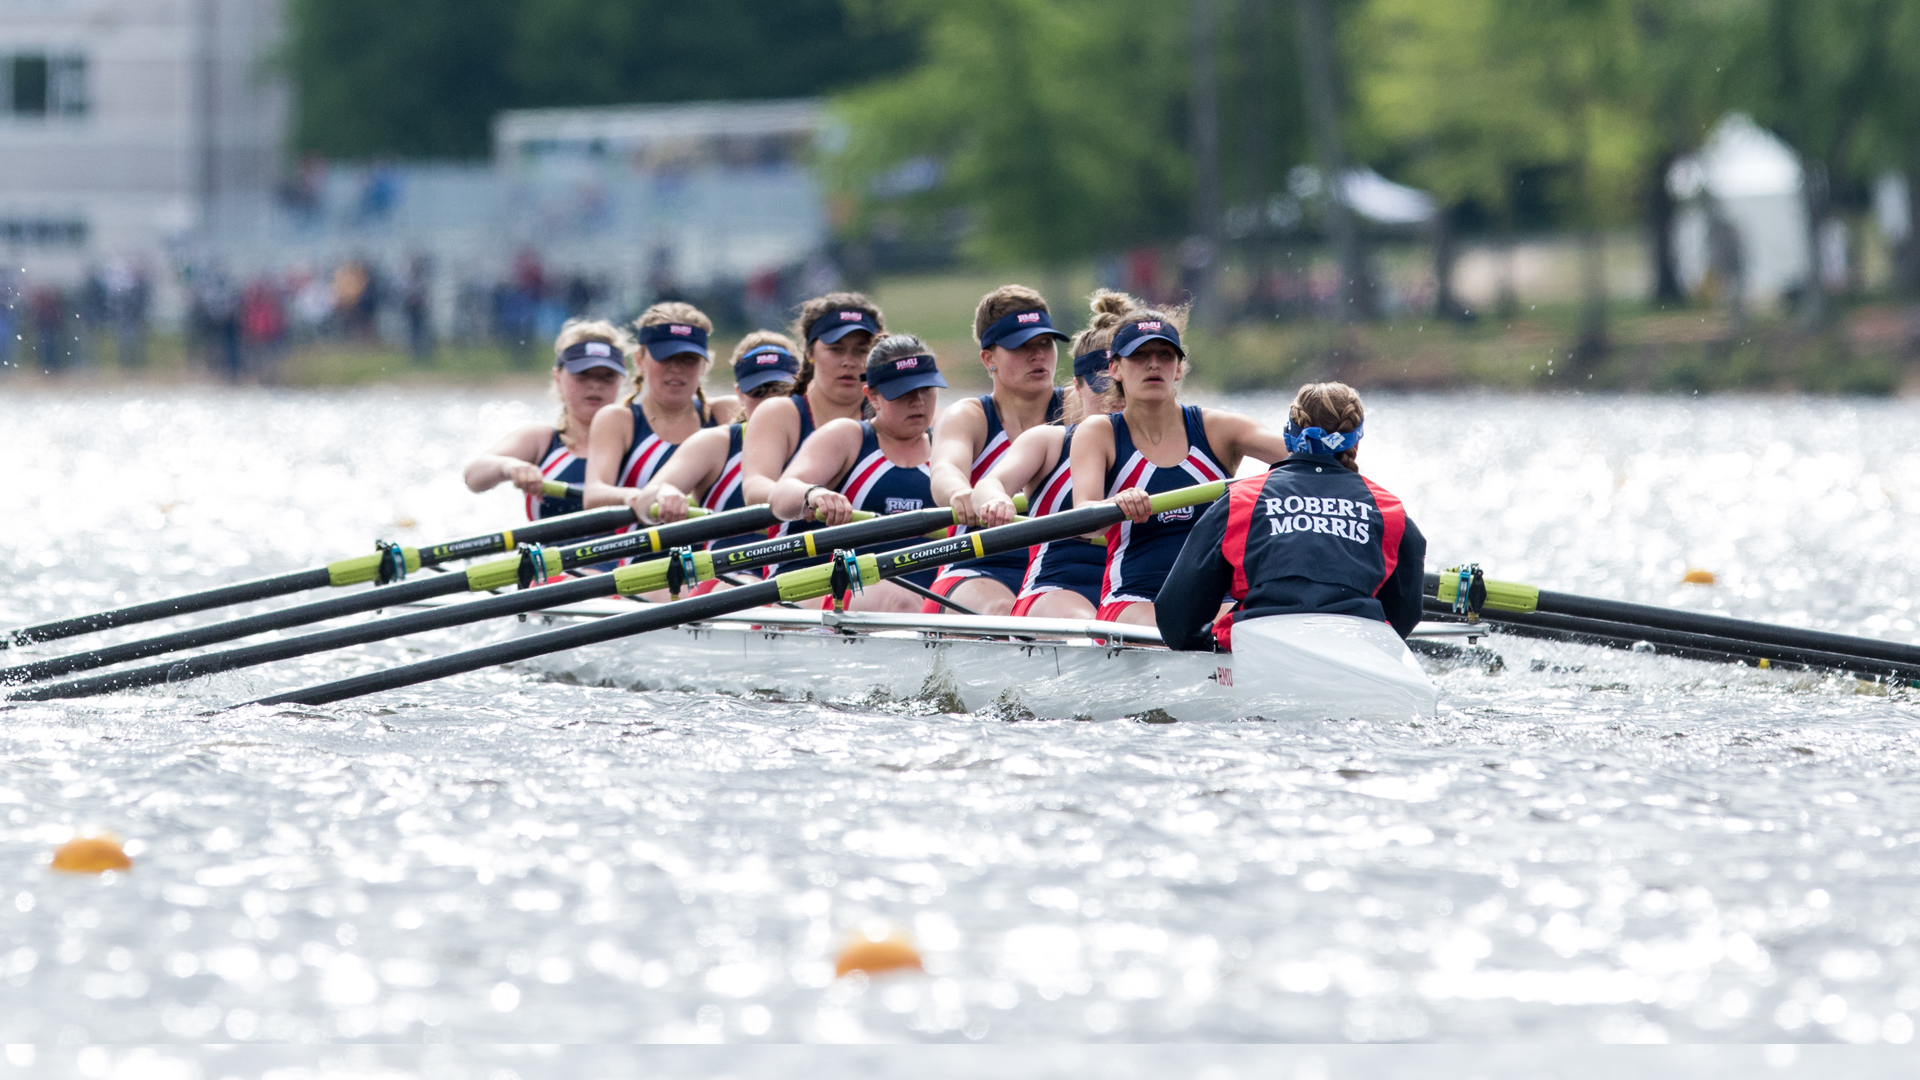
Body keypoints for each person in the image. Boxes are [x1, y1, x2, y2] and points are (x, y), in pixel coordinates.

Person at [1156, 382, 1426, 651]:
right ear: (1356, 441)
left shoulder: (1242, 500)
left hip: (1258, 648)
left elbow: (1175, 617)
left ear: (1289, 435)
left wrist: (1205, 647)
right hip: (1358, 651)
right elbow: (1405, 615)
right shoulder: (1389, 509)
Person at [1070, 303, 1290, 626]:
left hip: (1217, 602)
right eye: (1140, 356)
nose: (1154, 364)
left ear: (1178, 369)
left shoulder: (1218, 429)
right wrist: (1115, 504)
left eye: (1164, 355)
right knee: (1197, 630)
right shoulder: (1099, 432)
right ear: (1115, 368)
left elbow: (1305, 459)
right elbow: (1086, 520)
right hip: (1134, 600)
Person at [971, 290, 1132, 619]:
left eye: (1123, 386)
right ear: (1077, 387)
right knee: (1092, 625)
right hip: (1057, 592)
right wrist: (995, 500)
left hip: (1130, 590)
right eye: (1102, 386)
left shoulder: (1171, 446)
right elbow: (989, 484)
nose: (1115, 399)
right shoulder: (1048, 441)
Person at [769, 334, 947, 613]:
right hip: (844, 586)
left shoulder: (948, 446)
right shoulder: (848, 436)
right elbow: (780, 496)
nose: (919, 401)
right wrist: (814, 493)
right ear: (872, 396)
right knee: (901, 601)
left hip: (927, 593)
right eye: (903, 391)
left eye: (927, 389)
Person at [923, 285, 1072, 615]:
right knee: (1003, 611)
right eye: (1022, 346)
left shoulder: (1077, 411)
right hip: (979, 565)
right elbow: (944, 470)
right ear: (988, 358)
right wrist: (961, 493)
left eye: (1045, 343)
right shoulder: (969, 416)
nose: (1038, 356)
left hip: (1057, 571)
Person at [629, 332, 803, 591]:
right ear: (739, 395)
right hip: (727, 583)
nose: (770, 403)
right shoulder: (716, 444)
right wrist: (666, 493)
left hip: (795, 582)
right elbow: (646, 500)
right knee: (744, 588)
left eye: (781, 391)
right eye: (758, 392)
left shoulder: (819, 443)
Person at [583, 302, 743, 521]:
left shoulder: (727, 412)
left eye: (689, 358)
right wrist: (648, 495)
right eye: (666, 357)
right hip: (642, 552)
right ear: (639, 359)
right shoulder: (619, 420)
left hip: (711, 553)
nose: (676, 368)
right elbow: (593, 494)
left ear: (704, 365)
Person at [464, 319, 628, 520]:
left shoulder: (639, 440)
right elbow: (473, 477)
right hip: (548, 551)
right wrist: (510, 467)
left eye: (607, 376)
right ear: (557, 377)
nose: (595, 385)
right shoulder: (541, 439)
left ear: (622, 381)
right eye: (582, 375)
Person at [738, 293, 884, 505]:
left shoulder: (898, 412)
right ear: (809, 352)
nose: (848, 362)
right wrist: (809, 495)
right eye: (835, 349)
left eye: (861, 350)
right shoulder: (779, 414)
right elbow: (755, 487)